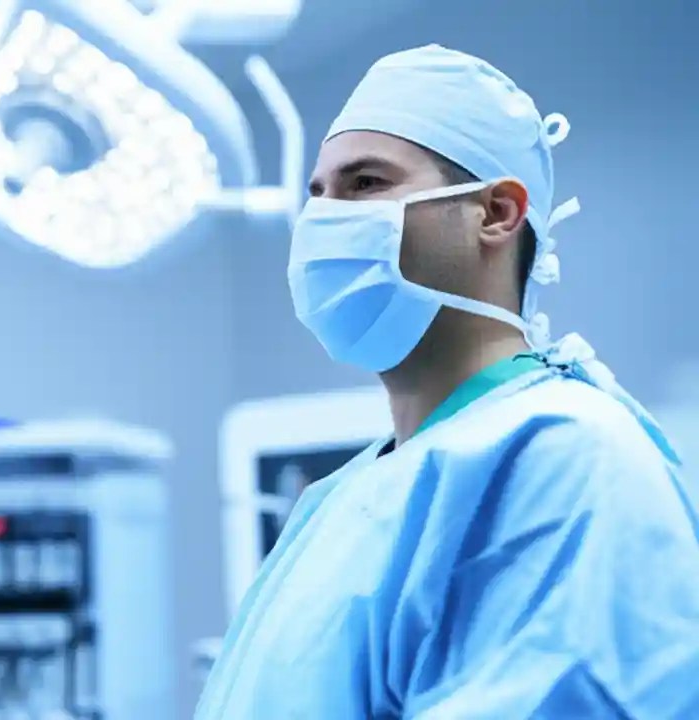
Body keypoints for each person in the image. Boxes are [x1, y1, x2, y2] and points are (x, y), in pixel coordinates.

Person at [196, 44, 699, 718]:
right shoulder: (339, 500)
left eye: (365, 184)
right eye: (317, 194)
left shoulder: (563, 460)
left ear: (496, 212)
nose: (322, 219)